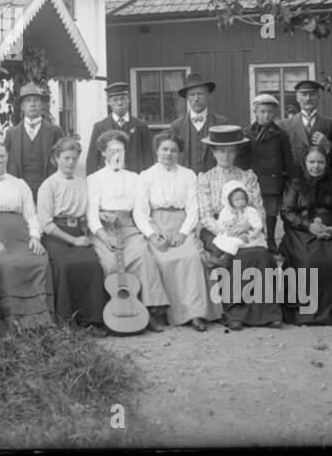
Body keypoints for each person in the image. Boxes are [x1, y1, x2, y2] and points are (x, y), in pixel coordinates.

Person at [133, 130, 223, 331]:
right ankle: (168, 313)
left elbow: (193, 208)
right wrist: (153, 235)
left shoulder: (188, 175)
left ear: (178, 153)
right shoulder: (146, 176)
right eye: (164, 149)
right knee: (164, 259)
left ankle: (195, 314)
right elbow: (140, 212)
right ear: (157, 151)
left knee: (191, 256)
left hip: (182, 223)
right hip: (157, 223)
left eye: (173, 150)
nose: (168, 154)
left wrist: (183, 232)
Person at [197, 126, 281, 328]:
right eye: (221, 150)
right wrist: (226, 231)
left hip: (248, 226)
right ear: (214, 152)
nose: (226, 155)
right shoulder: (205, 179)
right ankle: (234, 312)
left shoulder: (247, 177)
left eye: (231, 150)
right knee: (232, 254)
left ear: (236, 152)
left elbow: (259, 209)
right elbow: (206, 215)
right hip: (217, 229)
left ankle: (267, 312)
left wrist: (246, 227)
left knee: (260, 253)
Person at [86, 130, 169, 332]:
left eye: (121, 150)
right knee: (110, 263)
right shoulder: (94, 178)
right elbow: (91, 214)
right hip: (104, 230)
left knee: (143, 257)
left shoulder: (134, 178)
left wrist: (151, 234)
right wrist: (105, 238)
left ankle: (150, 312)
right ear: (103, 153)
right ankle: (111, 314)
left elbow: (139, 213)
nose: (117, 154)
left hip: (129, 228)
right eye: (112, 150)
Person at [0, 140, 55, 330]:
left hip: (21, 238)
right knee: (5, 265)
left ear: (7, 157)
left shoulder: (20, 184)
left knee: (39, 259)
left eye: (2, 155)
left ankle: (40, 320)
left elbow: (31, 214)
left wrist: (34, 237)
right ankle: (10, 320)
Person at [280, 147, 332, 325]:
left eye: (320, 162)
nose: (316, 166)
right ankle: (308, 312)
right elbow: (286, 211)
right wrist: (310, 227)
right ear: (304, 162)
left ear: (326, 164)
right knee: (310, 260)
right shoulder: (295, 183)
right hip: (301, 231)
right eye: (312, 162)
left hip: (331, 230)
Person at [35, 137, 104, 327]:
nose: (71, 162)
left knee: (92, 264)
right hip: (56, 234)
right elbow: (46, 223)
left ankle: (92, 320)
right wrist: (73, 241)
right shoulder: (49, 185)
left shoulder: (83, 183)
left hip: (78, 231)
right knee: (64, 266)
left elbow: (89, 212)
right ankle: (66, 321)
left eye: (74, 158)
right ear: (57, 158)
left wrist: (100, 217)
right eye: (66, 158)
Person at [241, 93, 294, 250]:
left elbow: (288, 158)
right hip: (253, 179)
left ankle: (271, 239)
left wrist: (290, 178)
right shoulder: (246, 134)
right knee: (254, 211)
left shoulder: (280, 134)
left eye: (270, 112)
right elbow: (242, 158)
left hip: (273, 180)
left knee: (271, 212)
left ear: (275, 113)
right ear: (255, 111)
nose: (266, 115)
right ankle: (257, 238)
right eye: (262, 111)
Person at [4, 82, 65, 199]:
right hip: (19, 190)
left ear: (42, 105)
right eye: (28, 100)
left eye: (36, 100)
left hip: (48, 190)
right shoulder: (11, 133)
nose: (32, 104)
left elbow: (63, 159)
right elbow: (5, 163)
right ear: (22, 106)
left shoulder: (55, 131)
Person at [280, 79, 332, 172]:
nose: (308, 98)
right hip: (296, 183)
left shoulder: (331, 125)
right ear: (297, 98)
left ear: (318, 96)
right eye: (304, 94)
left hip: (324, 184)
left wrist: (328, 146)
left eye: (312, 94)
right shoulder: (284, 126)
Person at [86, 81, 153, 175]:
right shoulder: (100, 127)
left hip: (135, 178)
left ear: (129, 99)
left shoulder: (140, 126)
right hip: (109, 178)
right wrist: (91, 181)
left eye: (123, 99)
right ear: (108, 102)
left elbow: (148, 158)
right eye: (115, 100)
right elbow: (92, 159)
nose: (120, 103)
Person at [168, 72, 230, 174]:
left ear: (208, 96)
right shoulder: (176, 126)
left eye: (200, 94)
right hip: (186, 183)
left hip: (214, 181)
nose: (196, 99)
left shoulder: (221, 123)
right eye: (192, 95)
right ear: (187, 98)